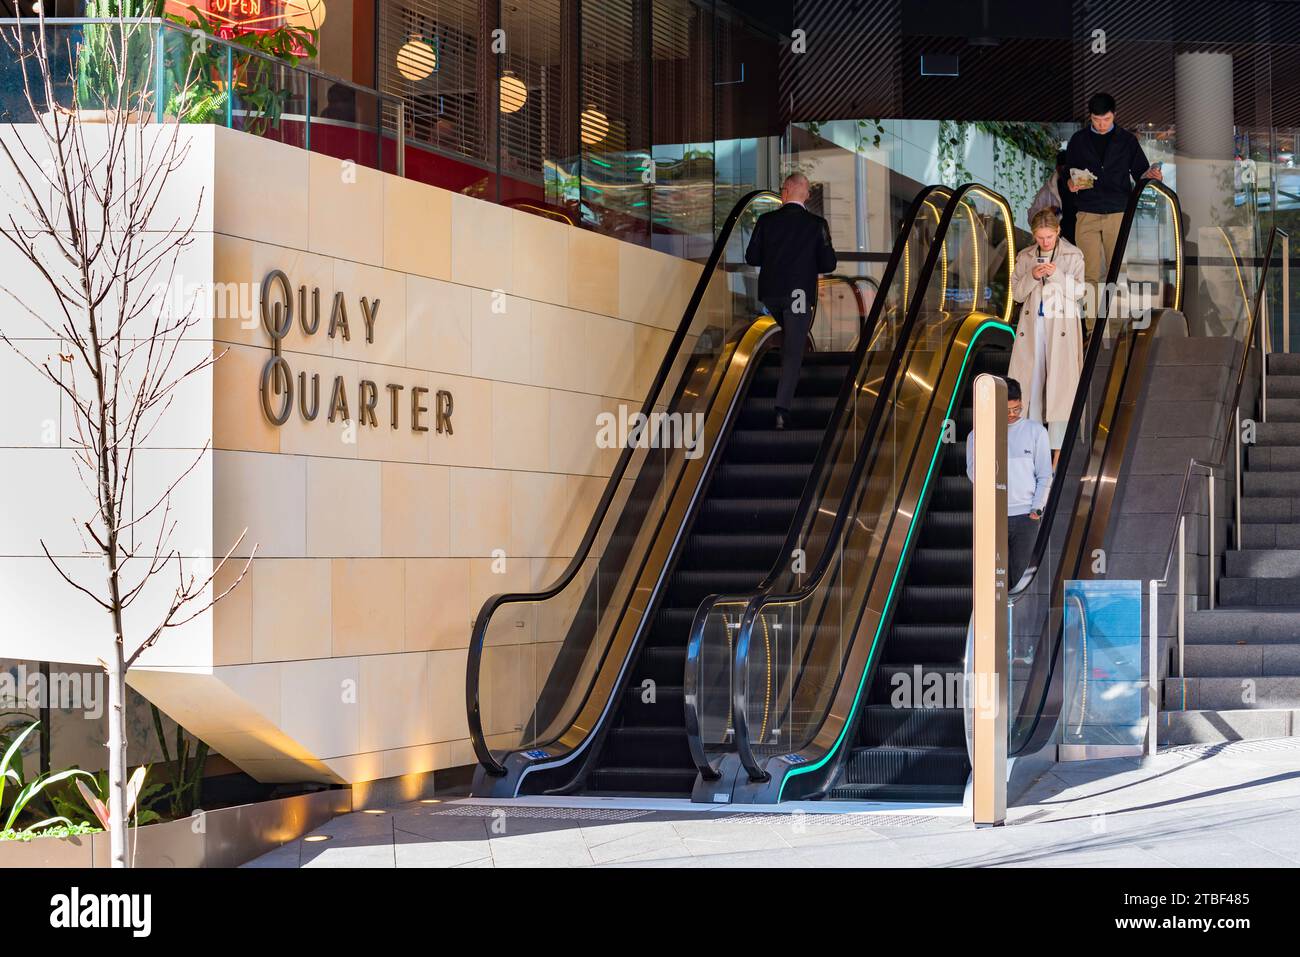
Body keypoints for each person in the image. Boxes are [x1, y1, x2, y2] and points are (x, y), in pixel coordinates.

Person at [745, 172, 838, 429]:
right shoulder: (816, 224)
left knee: (791, 336)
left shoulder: (766, 220)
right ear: (804, 194)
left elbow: (752, 257)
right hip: (799, 294)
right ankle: (781, 410)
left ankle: (782, 392)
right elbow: (829, 262)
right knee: (795, 348)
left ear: (785, 191)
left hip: (771, 293)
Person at [1064, 93, 1163, 317]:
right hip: (1087, 211)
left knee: (1115, 271)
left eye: (1106, 119)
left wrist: (1152, 176)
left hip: (1117, 211)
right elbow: (1066, 173)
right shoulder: (1079, 140)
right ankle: (1093, 330)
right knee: (1089, 273)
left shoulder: (1126, 140)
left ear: (1114, 115)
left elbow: (1141, 173)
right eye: (1096, 120)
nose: (1101, 125)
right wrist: (1070, 182)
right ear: (1090, 117)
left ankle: (1115, 328)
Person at [1007, 209, 1085, 467]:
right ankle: (1033, 449)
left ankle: (1058, 457)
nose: (1045, 242)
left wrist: (1056, 275)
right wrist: (1033, 275)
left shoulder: (1073, 255)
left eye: (1049, 236)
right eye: (1040, 238)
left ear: (1058, 232)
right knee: (1032, 385)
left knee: (1060, 391)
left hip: (1060, 330)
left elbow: (1079, 291)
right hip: (1033, 329)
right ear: (1034, 236)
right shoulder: (1025, 257)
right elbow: (1017, 294)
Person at [966, 377, 1053, 586]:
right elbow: (972, 473)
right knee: (992, 583)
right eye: (1007, 411)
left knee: (1023, 581)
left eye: (1018, 409)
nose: (1013, 415)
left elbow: (1045, 475)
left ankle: (1021, 619)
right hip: (993, 516)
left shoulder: (1036, 432)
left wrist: (1036, 509)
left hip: (1026, 517)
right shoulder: (977, 435)